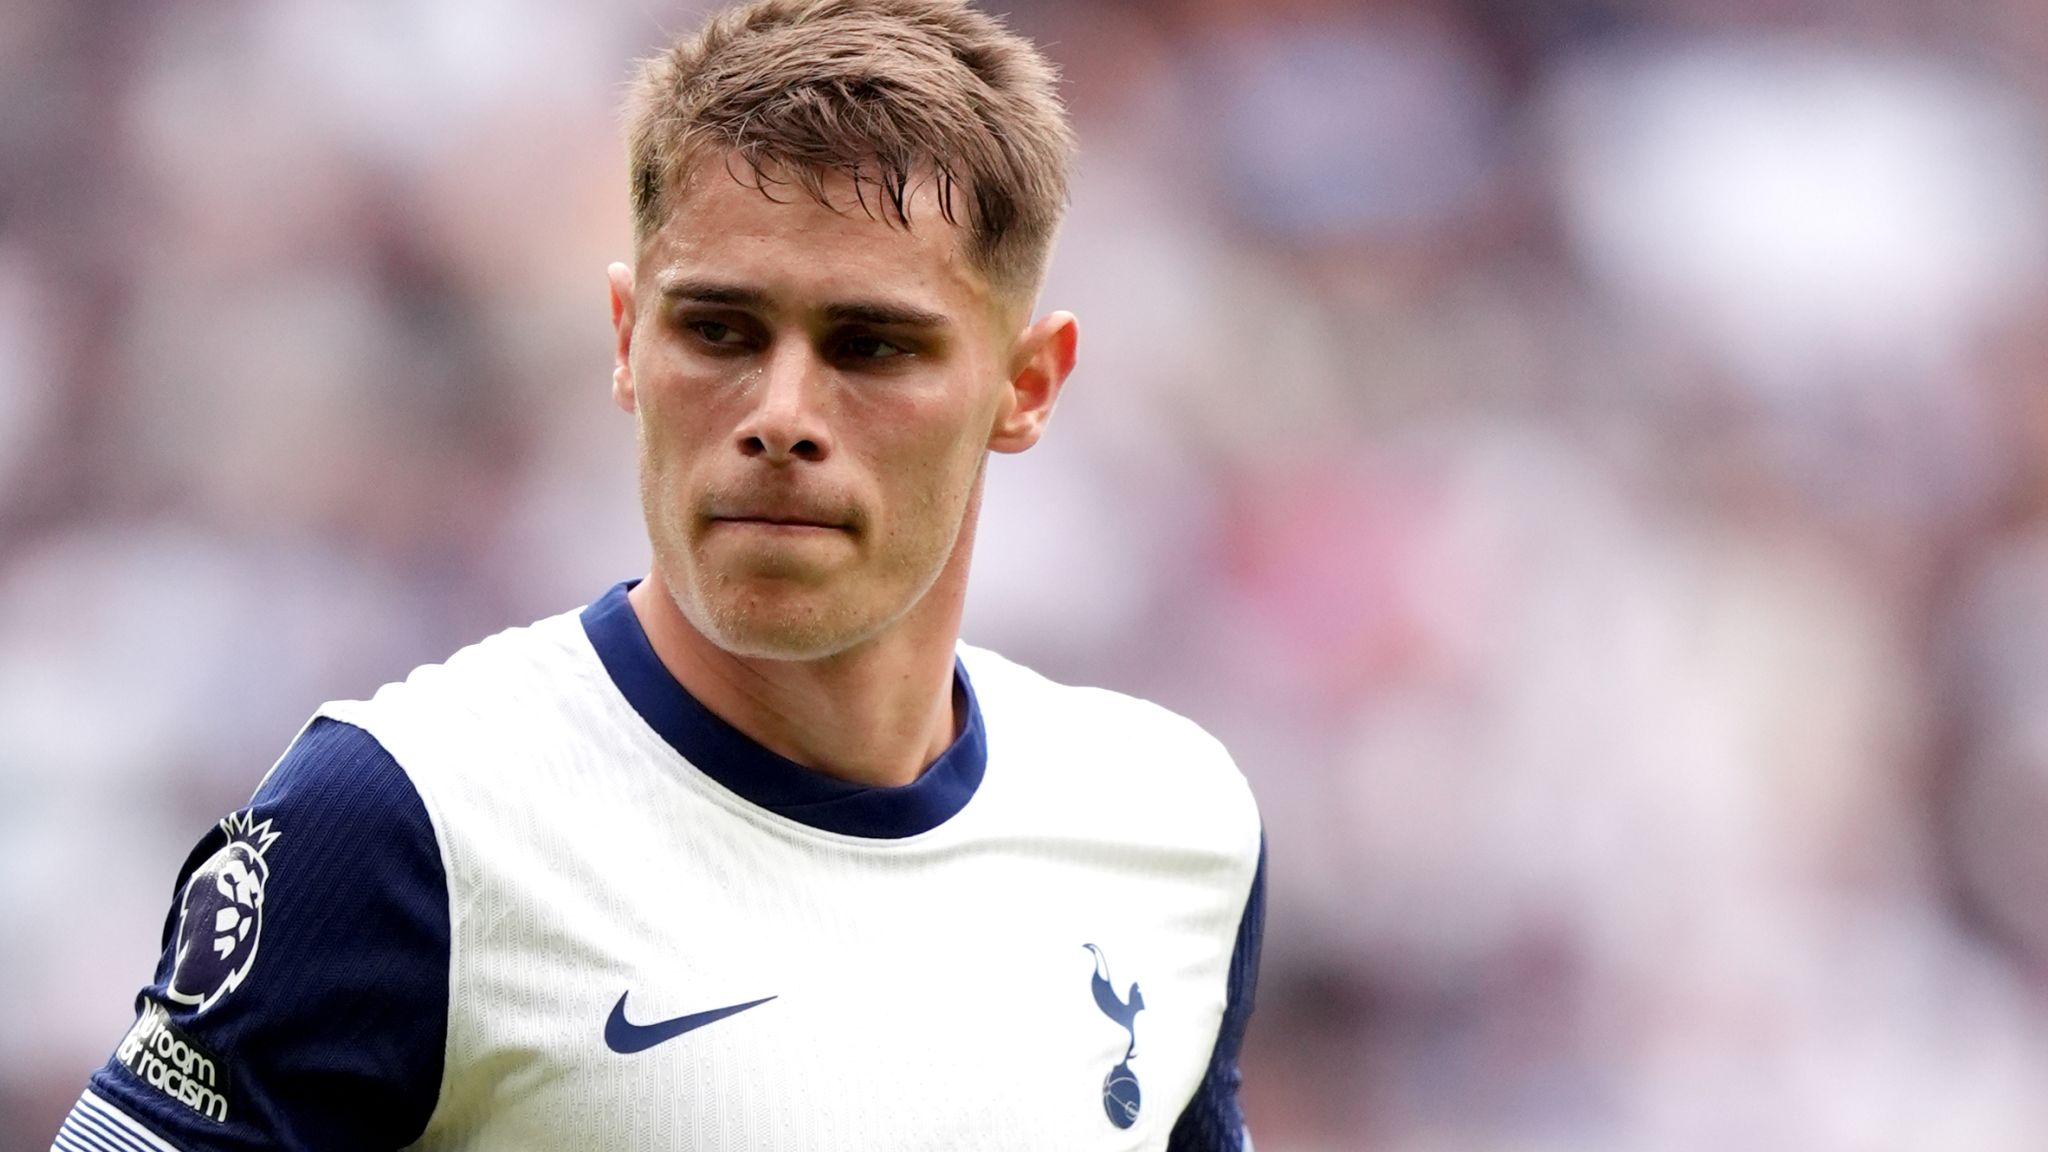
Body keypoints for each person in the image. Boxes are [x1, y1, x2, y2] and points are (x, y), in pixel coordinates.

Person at [51, 1, 1264, 1148]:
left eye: (870, 345)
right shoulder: (405, 823)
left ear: (1025, 386)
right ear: (628, 342)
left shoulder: (1169, 824)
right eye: (718, 331)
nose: (780, 415)